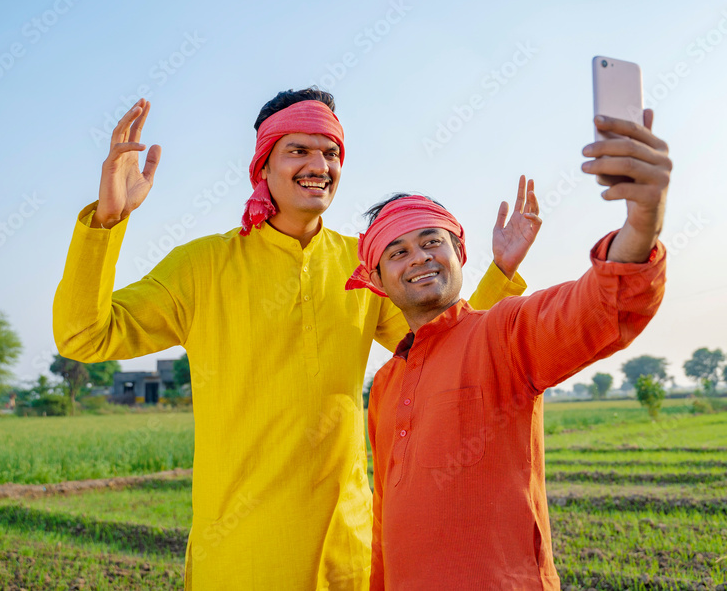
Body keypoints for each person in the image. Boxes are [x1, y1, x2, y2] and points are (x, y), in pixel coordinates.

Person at [52, 88, 539, 590]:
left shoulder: (364, 266)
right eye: (298, 150)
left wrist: (501, 272)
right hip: (242, 557)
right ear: (263, 165)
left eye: (331, 152)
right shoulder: (202, 266)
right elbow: (84, 337)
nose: (319, 165)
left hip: (347, 554)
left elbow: (445, 346)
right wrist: (106, 223)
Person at [357, 111, 671, 590]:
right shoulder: (384, 385)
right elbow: (383, 520)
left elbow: (597, 308)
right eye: (397, 252)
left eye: (431, 241)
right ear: (377, 281)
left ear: (459, 255)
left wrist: (643, 220)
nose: (419, 257)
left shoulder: (503, 333)